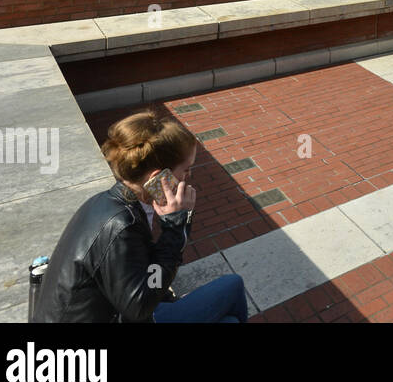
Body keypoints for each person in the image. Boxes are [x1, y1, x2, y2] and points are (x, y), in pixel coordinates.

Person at [34, 110, 248, 323]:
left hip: (114, 311)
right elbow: (141, 305)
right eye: (186, 170)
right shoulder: (122, 226)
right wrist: (175, 228)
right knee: (233, 286)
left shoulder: (112, 203)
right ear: (158, 177)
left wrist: (176, 225)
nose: (188, 178)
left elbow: (144, 271)